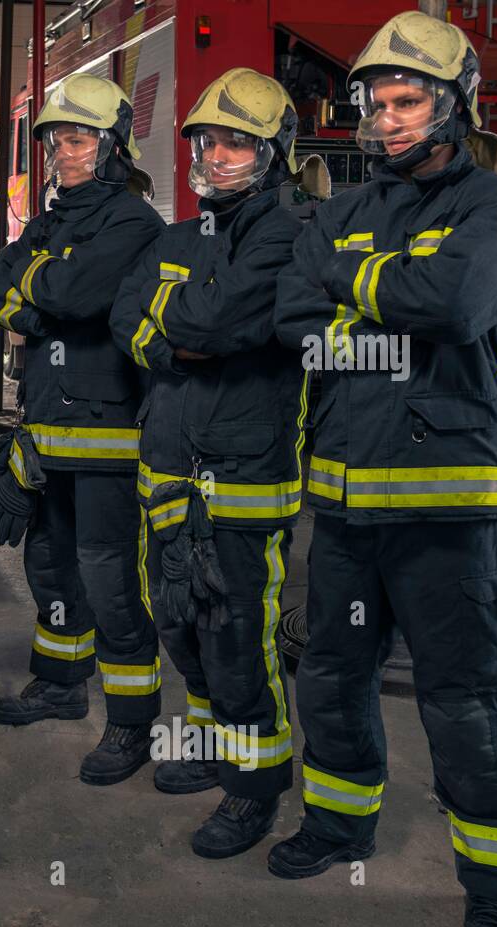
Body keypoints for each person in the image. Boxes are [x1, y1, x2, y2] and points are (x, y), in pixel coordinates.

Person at [273, 10, 497, 927]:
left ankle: (494, 884)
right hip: (346, 511)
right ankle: (339, 826)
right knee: (334, 682)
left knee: (465, 705)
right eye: (376, 103)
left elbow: (464, 304)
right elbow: (298, 322)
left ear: (453, 101)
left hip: (446, 516)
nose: (387, 121)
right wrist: (392, 291)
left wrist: (360, 288)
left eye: (407, 101)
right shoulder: (339, 210)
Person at [110, 69, 328, 857]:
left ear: (272, 153)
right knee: (181, 625)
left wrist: (179, 325)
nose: (215, 155)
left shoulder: (291, 231)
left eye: (236, 141)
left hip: (243, 476)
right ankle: (209, 745)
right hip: (167, 466)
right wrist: (180, 336)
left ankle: (255, 787)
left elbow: (222, 318)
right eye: (206, 140)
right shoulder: (177, 236)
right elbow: (126, 320)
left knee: (239, 639)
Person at [0, 73, 165, 784]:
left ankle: (130, 720)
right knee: (49, 565)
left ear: (115, 147)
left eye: (78, 138)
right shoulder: (50, 220)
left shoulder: (133, 222)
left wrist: (37, 291)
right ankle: (60, 683)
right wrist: (39, 293)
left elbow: (72, 294)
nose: (62, 150)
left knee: (110, 577)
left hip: (109, 439)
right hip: (47, 430)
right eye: (55, 138)